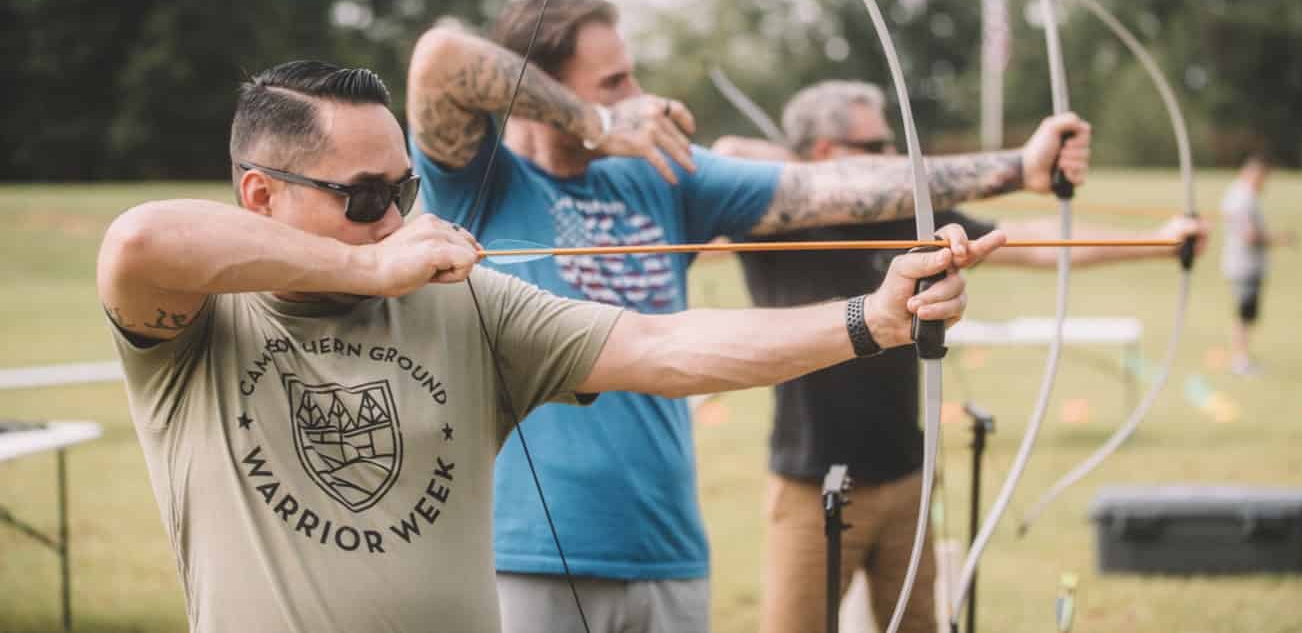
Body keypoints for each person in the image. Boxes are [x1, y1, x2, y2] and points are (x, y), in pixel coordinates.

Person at [97, 60, 993, 633]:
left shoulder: (464, 305)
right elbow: (139, 241)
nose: (396, 222)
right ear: (260, 196)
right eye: (364, 199)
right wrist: (366, 267)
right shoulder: (199, 328)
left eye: (404, 193)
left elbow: (662, 345)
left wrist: (872, 320)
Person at [405, 0, 1090, 633]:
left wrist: (1018, 168)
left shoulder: (661, 173)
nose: (638, 97)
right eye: (613, 83)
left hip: (668, 549)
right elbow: (441, 60)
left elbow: (827, 185)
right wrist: (599, 124)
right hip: (523, 554)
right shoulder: (478, 182)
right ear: (537, 91)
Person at [712, 79, 1208, 633]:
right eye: (876, 147)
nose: (895, 157)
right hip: (812, 482)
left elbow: (1030, 241)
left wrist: (1157, 241)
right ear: (823, 151)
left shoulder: (907, 213)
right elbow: (727, 152)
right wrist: (803, 170)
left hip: (907, 477)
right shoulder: (771, 217)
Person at [1221, 153, 1295, 375]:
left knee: (1245, 314)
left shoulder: (1238, 194)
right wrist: (1278, 240)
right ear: (1254, 173)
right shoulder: (1243, 197)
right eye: (1263, 177)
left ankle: (1241, 357)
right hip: (1245, 265)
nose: (1264, 183)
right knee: (1244, 315)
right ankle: (1240, 360)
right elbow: (1249, 235)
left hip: (1244, 264)